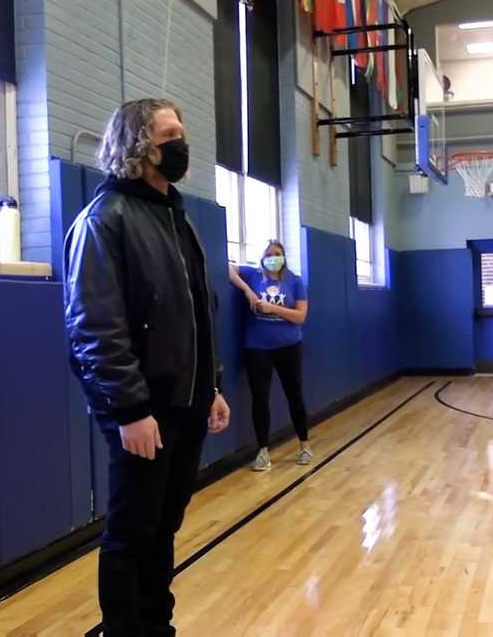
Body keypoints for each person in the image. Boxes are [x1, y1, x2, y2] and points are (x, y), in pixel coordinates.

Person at [64, 98, 232, 636]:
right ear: (138, 145)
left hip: (186, 405)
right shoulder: (104, 220)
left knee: (164, 527)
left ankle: (157, 626)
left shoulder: (175, 214)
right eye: (169, 134)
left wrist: (213, 387)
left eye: (181, 131)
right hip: (143, 412)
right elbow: (95, 327)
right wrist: (131, 409)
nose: (180, 143)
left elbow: (198, 313)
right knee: (132, 531)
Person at [227, 240, 311, 470]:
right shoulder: (253, 275)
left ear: (283, 257)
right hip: (258, 348)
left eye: (277, 254)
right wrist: (247, 291)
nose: (273, 258)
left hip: (289, 347)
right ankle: (263, 451)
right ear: (262, 258)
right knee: (260, 398)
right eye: (269, 255)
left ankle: (304, 444)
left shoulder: (294, 281)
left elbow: (300, 316)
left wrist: (272, 308)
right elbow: (228, 268)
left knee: (294, 394)